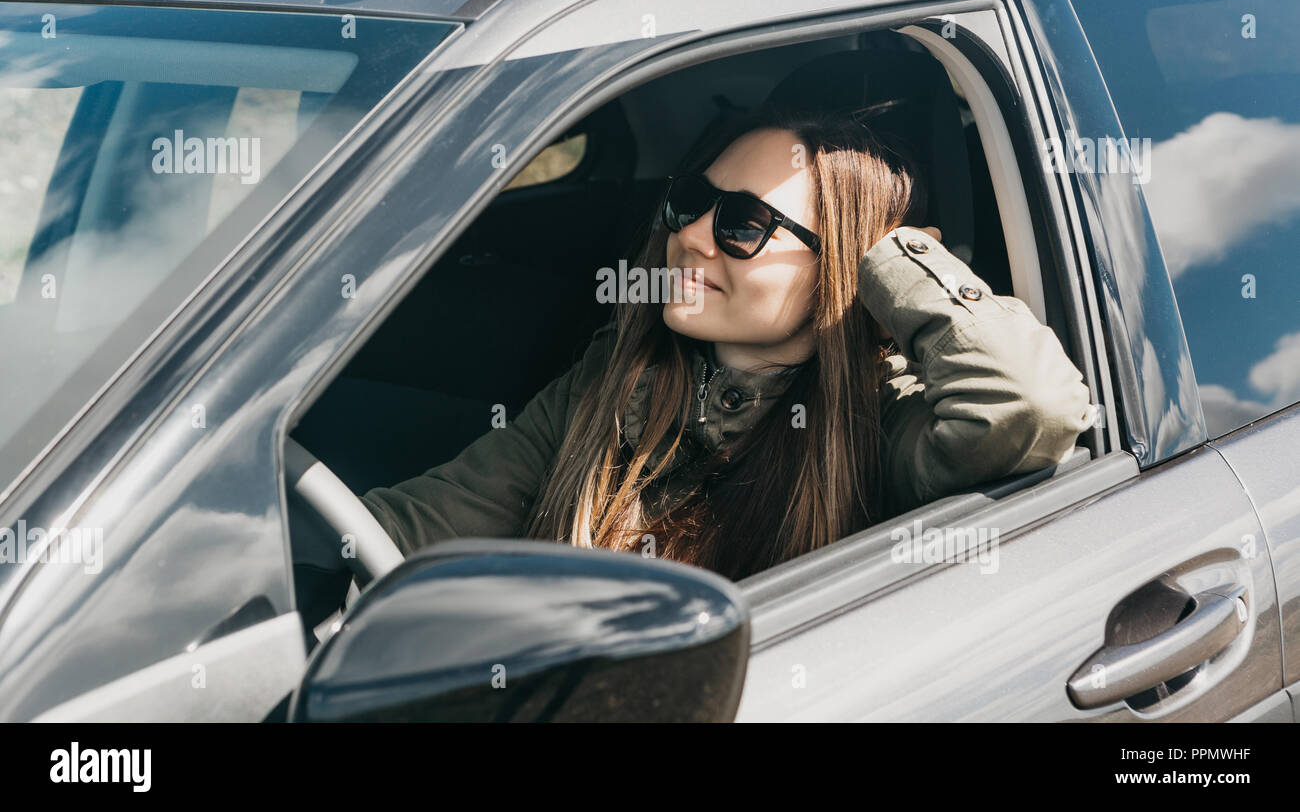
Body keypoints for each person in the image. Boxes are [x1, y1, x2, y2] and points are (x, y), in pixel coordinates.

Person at [360, 105, 1094, 581]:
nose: (690, 235)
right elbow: (416, 528)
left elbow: (1028, 407)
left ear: (842, 259)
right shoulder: (616, 376)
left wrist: (895, 255)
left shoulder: (881, 423)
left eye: (743, 222)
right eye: (691, 202)